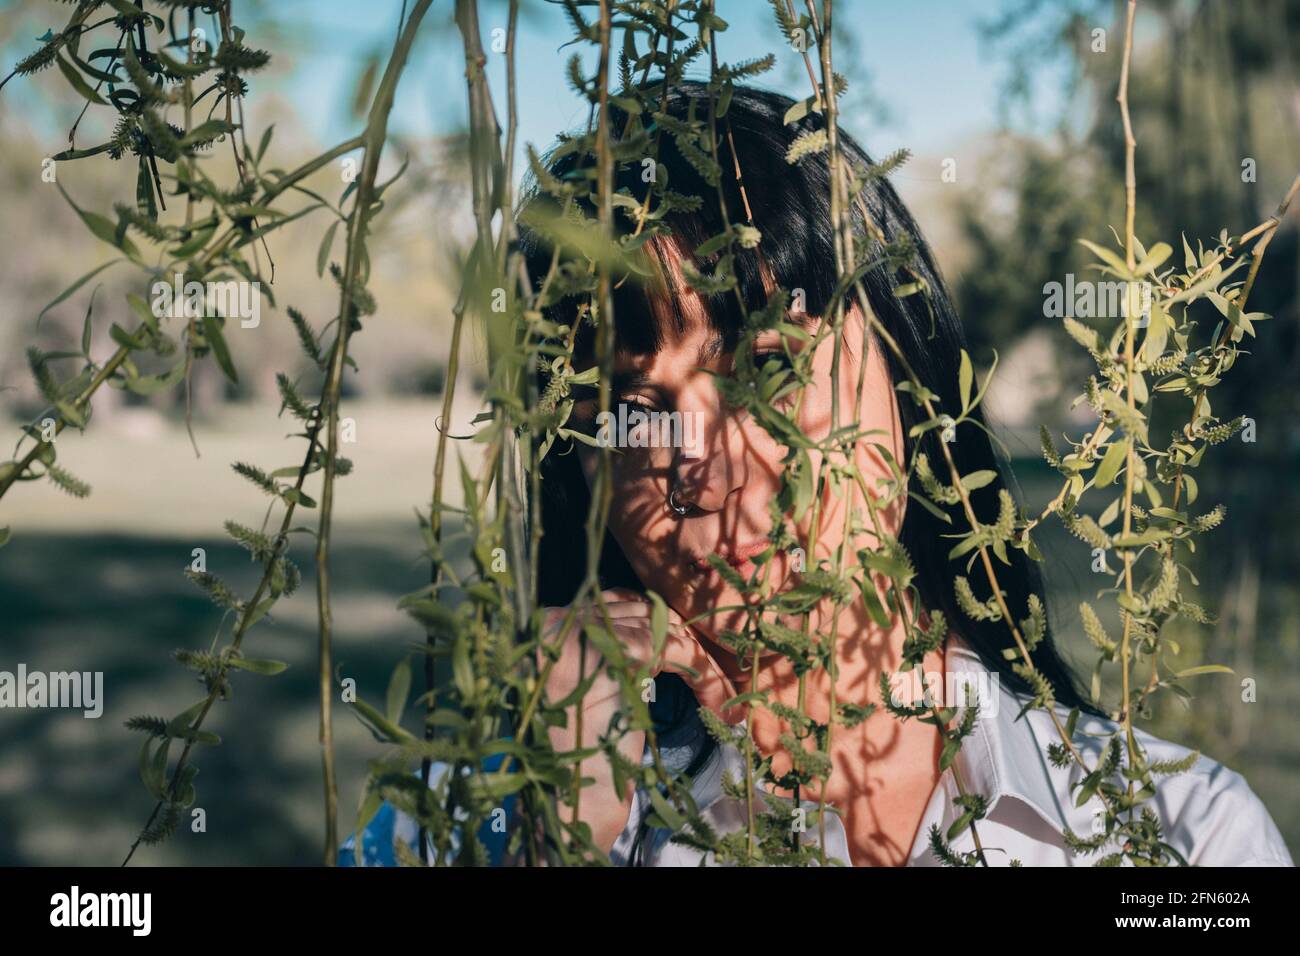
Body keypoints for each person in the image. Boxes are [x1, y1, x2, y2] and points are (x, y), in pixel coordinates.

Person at [343, 82, 1292, 867]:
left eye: (768, 365)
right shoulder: (465, 819)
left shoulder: (1180, 844)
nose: (699, 466)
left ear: (907, 377)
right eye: (634, 406)